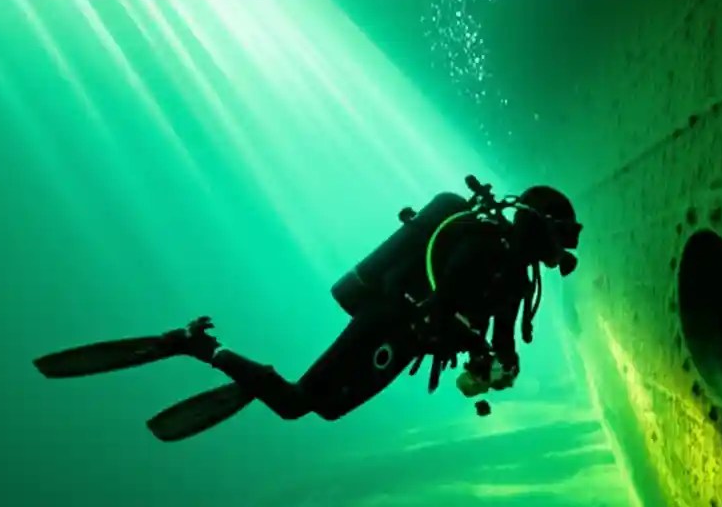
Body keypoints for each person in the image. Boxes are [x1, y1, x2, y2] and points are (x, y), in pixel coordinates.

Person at [33, 176, 583, 441]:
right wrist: (473, 350)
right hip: (388, 325)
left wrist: (501, 365)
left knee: (318, 408)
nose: (556, 256)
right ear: (539, 229)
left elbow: (504, 337)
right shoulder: (484, 245)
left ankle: (228, 363)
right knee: (299, 404)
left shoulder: (515, 277)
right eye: (559, 240)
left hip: (406, 341)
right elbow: (440, 305)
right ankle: (197, 345)